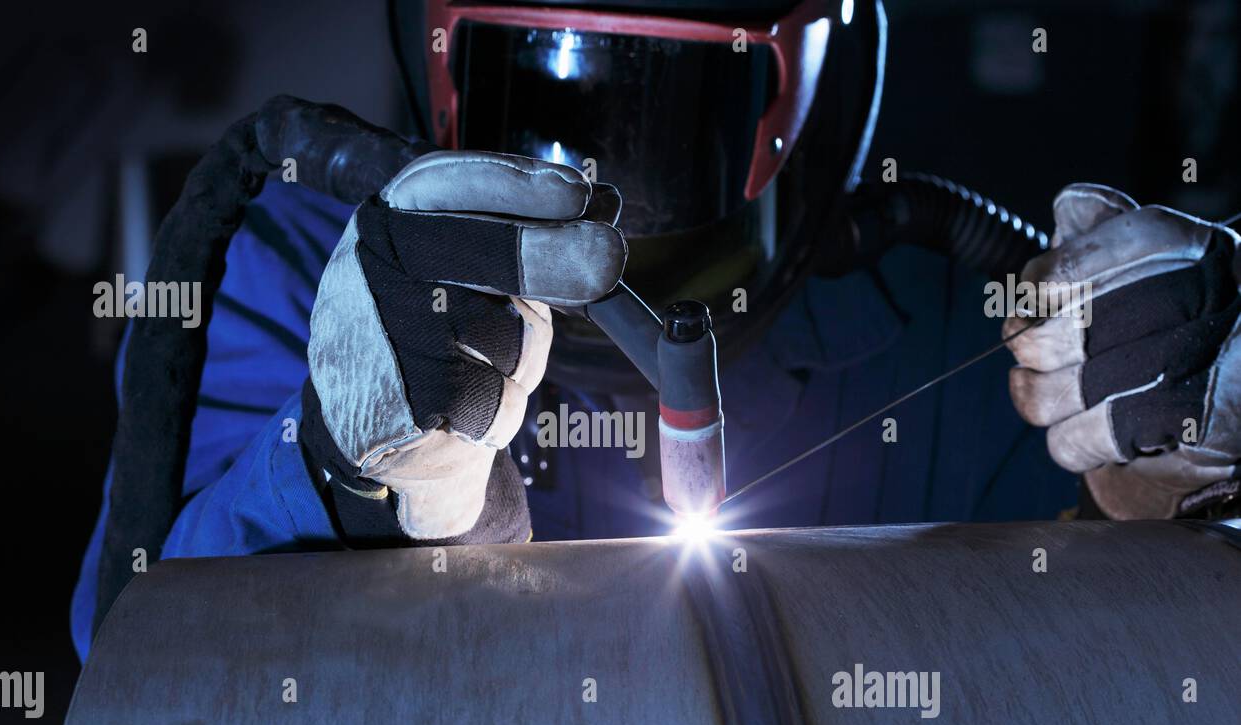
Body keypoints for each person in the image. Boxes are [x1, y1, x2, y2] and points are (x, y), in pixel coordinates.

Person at [70, 0, 1241, 658]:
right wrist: (331, 465)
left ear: (797, 94)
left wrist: (1197, 483)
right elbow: (131, 673)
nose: (604, 208)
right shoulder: (289, 269)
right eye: (544, 99)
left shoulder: (953, 332)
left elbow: (1150, 696)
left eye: (661, 126)